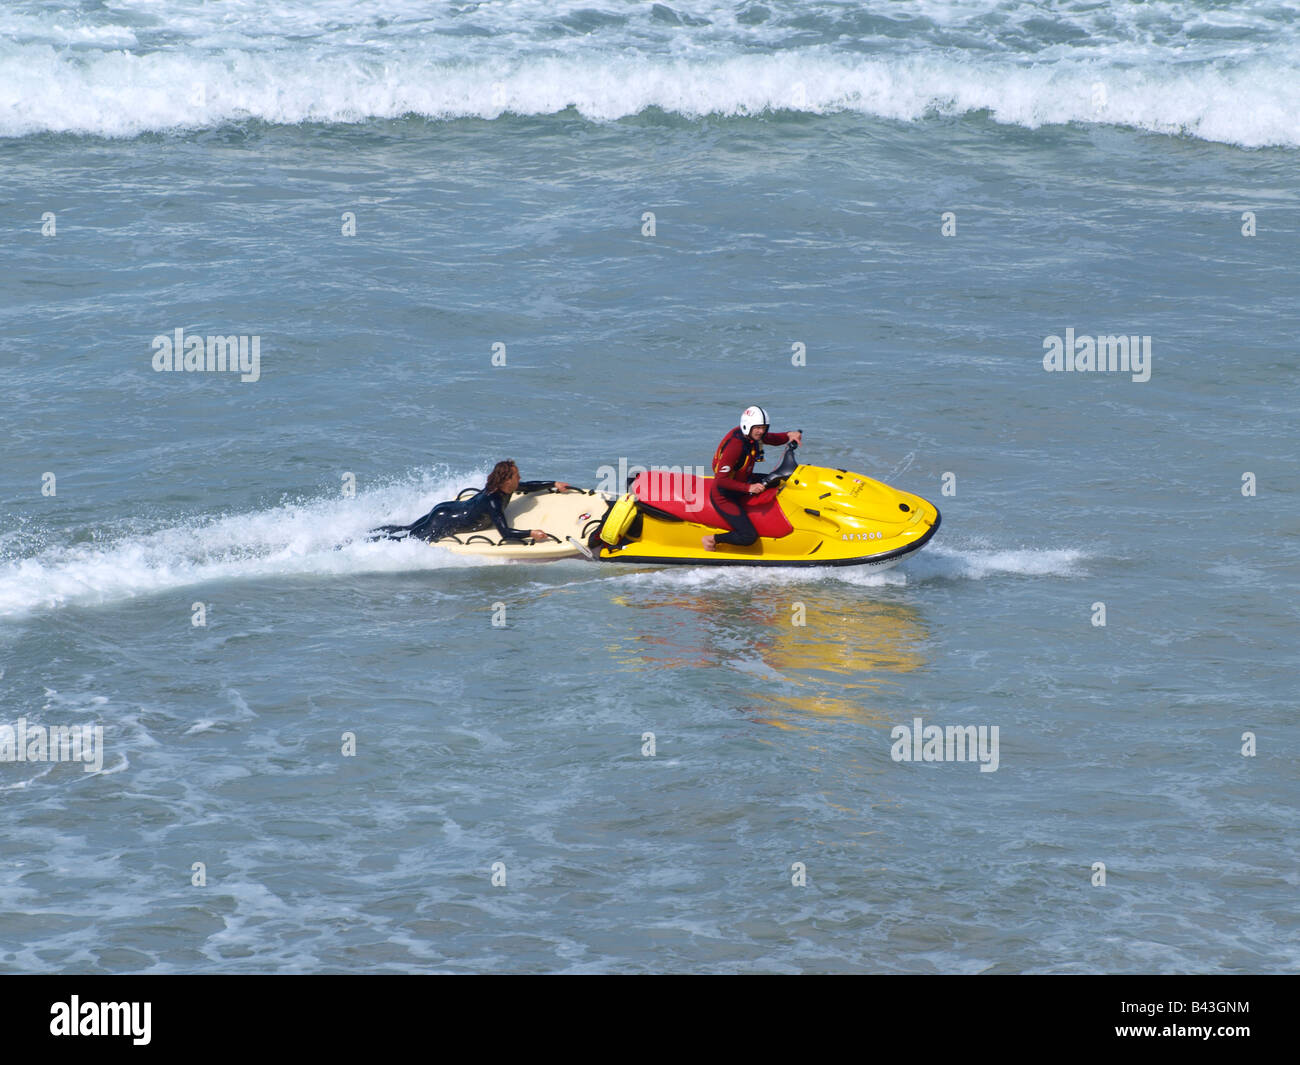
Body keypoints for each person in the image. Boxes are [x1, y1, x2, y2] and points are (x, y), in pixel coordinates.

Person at [371, 460, 571, 544]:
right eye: (516, 476)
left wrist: (553, 484)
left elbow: (528, 486)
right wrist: (531, 533)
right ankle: (367, 543)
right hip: (446, 520)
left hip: (446, 508)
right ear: (506, 480)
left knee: (408, 528)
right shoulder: (493, 501)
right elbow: (506, 533)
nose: (519, 479)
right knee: (407, 540)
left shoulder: (504, 488)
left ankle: (370, 533)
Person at [702, 405, 802, 550]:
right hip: (725, 495)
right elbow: (721, 480)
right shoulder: (735, 446)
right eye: (758, 428)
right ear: (747, 426)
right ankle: (711, 540)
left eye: (763, 427)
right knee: (747, 536)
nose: (761, 431)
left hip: (744, 480)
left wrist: (788, 435)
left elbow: (771, 438)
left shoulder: (750, 434)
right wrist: (748, 488)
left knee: (782, 481)